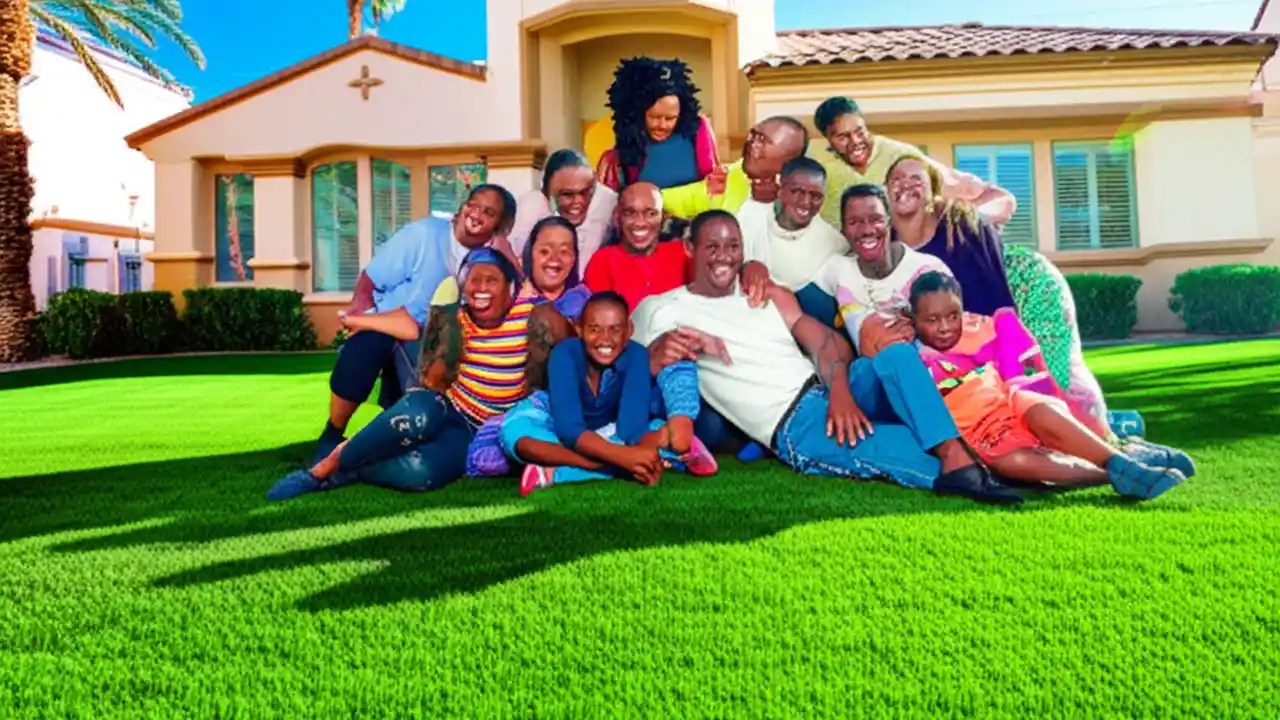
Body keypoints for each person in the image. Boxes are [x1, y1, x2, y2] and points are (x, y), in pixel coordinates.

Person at [634, 210, 1023, 504]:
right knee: (904, 445)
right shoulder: (663, 309)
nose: (724, 257)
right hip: (793, 425)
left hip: (836, 387)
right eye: (712, 247)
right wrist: (653, 358)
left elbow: (828, 344)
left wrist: (840, 392)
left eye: (733, 247)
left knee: (896, 358)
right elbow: (620, 369)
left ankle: (962, 458)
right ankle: (975, 468)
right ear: (690, 248)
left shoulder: (766, 294)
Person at [267, 248, 534, 500]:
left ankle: (351, 471)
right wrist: (447, 317)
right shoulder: (457, 319)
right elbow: (433, 381)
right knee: (417, 415)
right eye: (474, 280)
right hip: (449, 409)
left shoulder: (527, 314)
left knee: (421, 473)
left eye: (492, 280)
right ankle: (323, 468)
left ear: (510, 288)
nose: (482, 288)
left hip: (478, 431)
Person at [908, 271, 1190, 499]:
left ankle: (1121, 462)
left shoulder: (982, 330)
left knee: (1037, 409)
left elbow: (1020, 360)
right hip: (983, 431)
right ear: (914, 320)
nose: (944, 327)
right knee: (1010, 462)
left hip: (1011, 403)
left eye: (952, 316)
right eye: (932, 320)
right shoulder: (911, 356)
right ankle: (1122, 471)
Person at [315, 184, 517, 465]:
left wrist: (505, 251)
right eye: (473, 204)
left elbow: (516, 295)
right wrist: (359, 314)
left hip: (428, 341)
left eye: (489, 212)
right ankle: (333, 432)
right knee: (364, 349)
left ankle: (400, 435)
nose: (476, 213)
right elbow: (371, 279)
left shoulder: (491, 260)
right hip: (390, 324)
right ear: (462, 206)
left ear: (501, 225)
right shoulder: (424, 235)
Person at [500, 291, 717, 496]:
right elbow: (568, 429)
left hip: (610, 430)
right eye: (594, 329)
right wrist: (621, 460)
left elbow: (631, 429)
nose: (605, 339)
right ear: (579, 329)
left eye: (615, 329)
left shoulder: (636, 355)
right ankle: (603, 466)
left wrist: (628, 450)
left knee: (649, 431)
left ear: (629, 331)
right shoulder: (564, 353)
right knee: (516, 434)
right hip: (556, 421)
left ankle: (554, 471)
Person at [809, 96, 1015, 228]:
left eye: (859, 131)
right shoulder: (820, 164)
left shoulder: (902, 157)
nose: (855, 142)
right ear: (828, 139)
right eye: (843, 137)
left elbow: (997, 197)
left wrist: (973, 224)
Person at [809, 184, 951, 355]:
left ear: (890, 222)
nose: (867, 230)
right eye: (854, 222)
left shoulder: (928, 271)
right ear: (844, 230)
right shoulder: (836, 270)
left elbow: (950, 336)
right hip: (868, 373)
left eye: (876, 219)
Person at [885, 154, 1017, 316]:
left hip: (977, 332)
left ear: (932, 193)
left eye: (916, 179)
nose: (905, 184)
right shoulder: (881, 246)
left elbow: (1003, 201)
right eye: (896, 179)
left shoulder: (963, 229)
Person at [737, 156, 848, 326]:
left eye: (816, 196)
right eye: (797, 191)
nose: (806, 202)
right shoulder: (751, 217)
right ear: (780, 190)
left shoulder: (834, 243)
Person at [596, 57, 721, 192]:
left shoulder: (698, 128)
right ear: (638, 114)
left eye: (670, 118)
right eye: (654, 117)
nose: (662, 125)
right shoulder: (629, 142)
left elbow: (712, 181)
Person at [660, 116, 809, 219]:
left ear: (790, 162)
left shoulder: (804, 197)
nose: (752, 144)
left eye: (763, 141)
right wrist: (650, 197)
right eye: (754, 135)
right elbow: (683, 198)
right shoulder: (728, 177)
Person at [583, 182, 690, 311]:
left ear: (663, 218)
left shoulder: (684, 252)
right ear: (617, 217)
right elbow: (604, 322)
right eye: (630, 213)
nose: (640, 223)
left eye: (651, 213)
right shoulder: (603, 261)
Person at [510, 149, 617, 276]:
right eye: (567, 194)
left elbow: (583, 272)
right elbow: (513, 259)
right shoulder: (533, 203)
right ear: (547, 191)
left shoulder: (605, 201)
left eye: (584, 192)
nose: (579, 201)